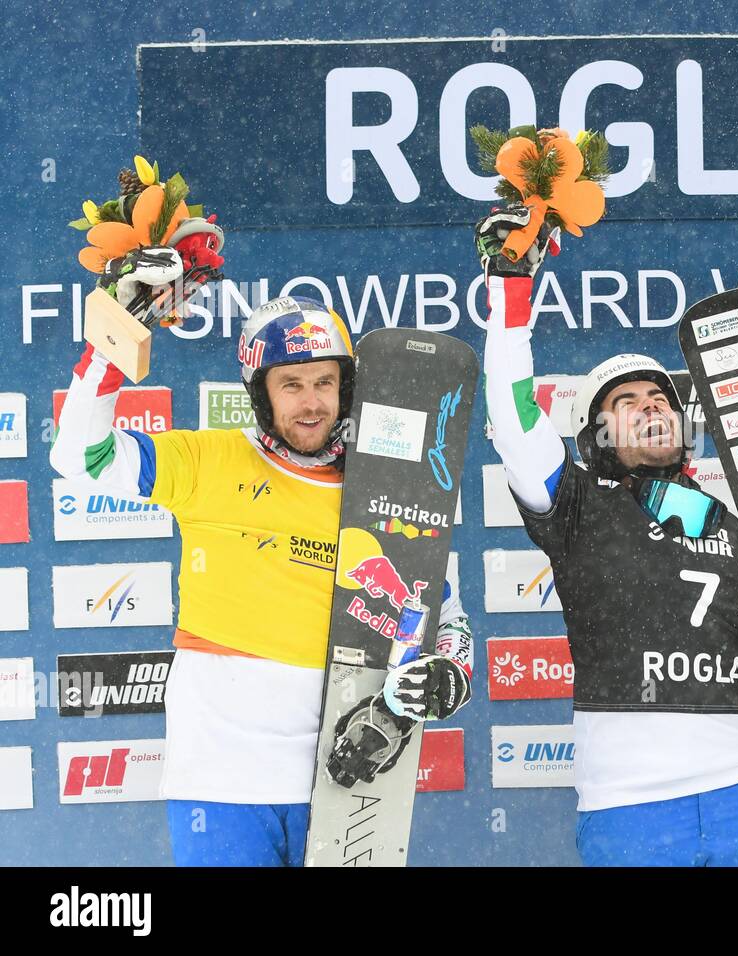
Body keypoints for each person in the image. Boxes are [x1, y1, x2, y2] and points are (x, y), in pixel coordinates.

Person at [475, 205, 738, 866]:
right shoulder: (578, 503)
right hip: (628, 805)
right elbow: (512, 409)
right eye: (628, 402)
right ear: (596, 437)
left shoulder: (735, 525)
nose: (650, 406)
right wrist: (510, 292)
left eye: (661, 398)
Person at [51, 256, 473, 866]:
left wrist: (448, 675)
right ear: (260, 392)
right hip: (220, 788)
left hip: (345, 787)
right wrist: (115, 336)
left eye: (324, 383)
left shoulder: (387, 490)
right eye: (291, 384)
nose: (310, 403)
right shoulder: (209, 461)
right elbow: (77, 455)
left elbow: (447, 612)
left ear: (346, 389)